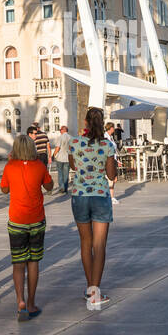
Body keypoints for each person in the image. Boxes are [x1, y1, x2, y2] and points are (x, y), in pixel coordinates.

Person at [0, 133, 53, 321]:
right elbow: (49, 186)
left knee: (18, 262)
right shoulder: (39, 166)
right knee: (33, 262)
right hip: (36, 220)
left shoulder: (9, 167)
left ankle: (20, 302)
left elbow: (4, 189)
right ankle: (31, 303)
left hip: (16, 220)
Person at [70, 106, 117, 310]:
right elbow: (111, 174)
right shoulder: (107, 145)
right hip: (100, 196)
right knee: (99, 246)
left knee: (85, 243)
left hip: (79, 196)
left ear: (86, 122)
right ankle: (95, 292)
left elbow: (73, 166)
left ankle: (90, 288)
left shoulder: (75, 143)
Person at [51, 124, 73, 193]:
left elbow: (57, 148)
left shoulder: (60, 138)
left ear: (63, 130)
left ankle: (61, 187)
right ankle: (65, 187)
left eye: (60, 130)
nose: (60, 131)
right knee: (66, 173)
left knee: (60, 173)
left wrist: (54, 155)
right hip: (68, 158)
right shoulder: (71, 138)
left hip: (60, 158)